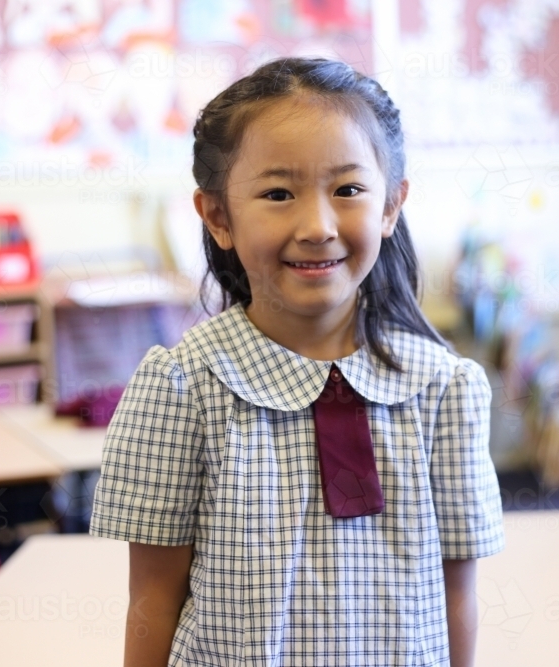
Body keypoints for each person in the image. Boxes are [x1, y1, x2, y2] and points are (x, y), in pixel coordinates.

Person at [89, 57, 505, 667]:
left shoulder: (447, 391)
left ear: (391, 205)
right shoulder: (181, 389)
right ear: (218, 216)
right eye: (278, 193)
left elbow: (458, 596)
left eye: (349, 190)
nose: (317, 226)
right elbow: (152, 597)